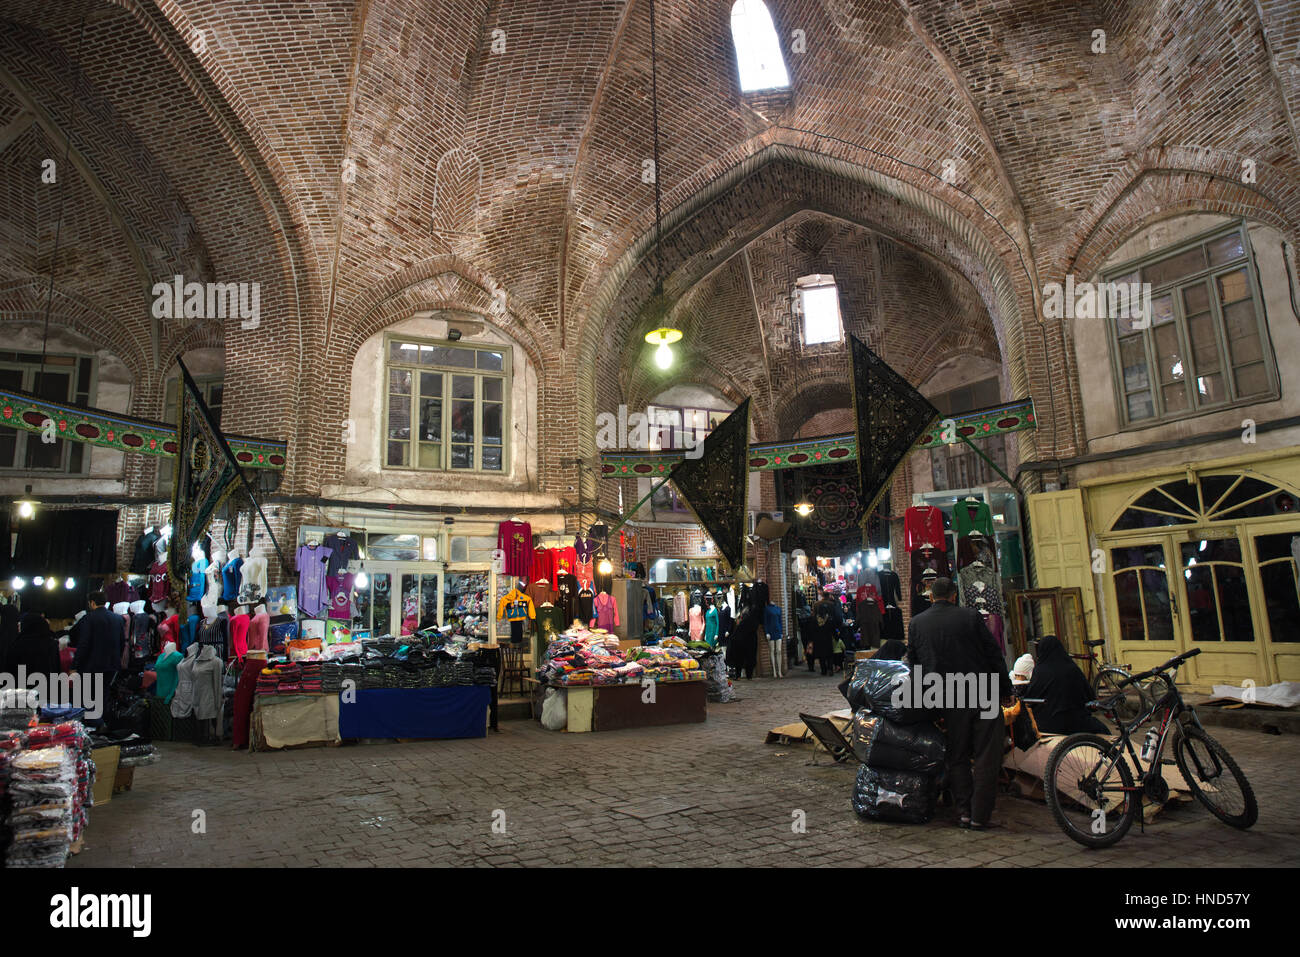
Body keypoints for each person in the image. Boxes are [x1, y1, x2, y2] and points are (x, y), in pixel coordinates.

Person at [907, 577, 1012, 831]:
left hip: (949, 696)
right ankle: (979, 816)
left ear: (931, 596)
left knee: (958, 755)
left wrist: (925, 702)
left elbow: (915, 667)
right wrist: (1005, 689)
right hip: (982, 691)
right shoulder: (971, 617)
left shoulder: (917, 623)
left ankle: (964, 811)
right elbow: (993, 653)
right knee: (987, 755)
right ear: (955, 596)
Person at [1023, 635, 1108, 735]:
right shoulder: (1072, 668)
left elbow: (1030, 699)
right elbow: (1090, 697)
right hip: (1076, 724)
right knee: (1104, 732)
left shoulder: (1039, 671)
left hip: (1047, 725)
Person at [71, 590, 125, 685]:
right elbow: (122, 643)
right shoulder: (118, 619)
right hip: (112, 664)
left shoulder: (88, 618)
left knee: (90, 697)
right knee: (104, 695)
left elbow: (83, 643)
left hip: (92, 665)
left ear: (92, 603)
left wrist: (74, 665)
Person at [4, 612, 61, 687]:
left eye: (21, 623)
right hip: (48, 692)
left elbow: (10, 672)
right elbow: (56, 670)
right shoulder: (52, 644)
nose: (18, 625)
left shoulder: (17, 645)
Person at [808, 588, 842, 676]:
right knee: (829, 652)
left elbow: (812, 623)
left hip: (818, 634)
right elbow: (835, 619)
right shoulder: (831, 605)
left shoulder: (816, 605)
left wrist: (811, 637)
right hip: (828, 633)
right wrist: (836, 634)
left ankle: (823, 669)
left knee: (820, 652)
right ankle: (830, 668)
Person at [725, 603, 759, 680]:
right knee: (750, 659)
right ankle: (749, 676)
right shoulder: (754, 621)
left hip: (740, 645)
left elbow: (736, 635)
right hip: (751, 644)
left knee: (739, 660)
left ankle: (738, 676)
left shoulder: (743, 623)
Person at [763, 600, 784, 678]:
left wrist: (781, 632)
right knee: (772, 650)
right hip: (771, 631)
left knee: (779, 650)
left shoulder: (778, 609)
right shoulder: (767, 609)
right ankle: (774, 671)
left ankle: (779, 671)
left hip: (778, 630)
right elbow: (765, 622)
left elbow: (780, 621)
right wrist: (767, 632)